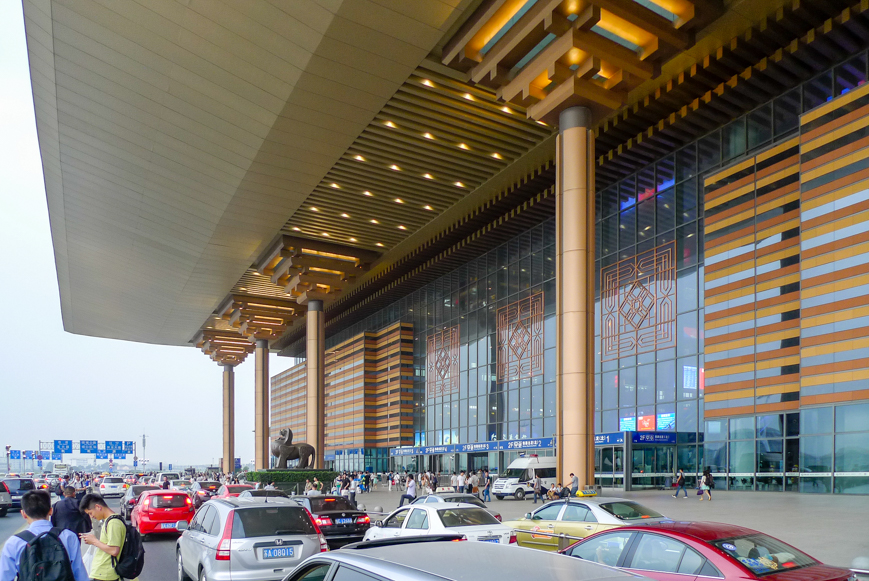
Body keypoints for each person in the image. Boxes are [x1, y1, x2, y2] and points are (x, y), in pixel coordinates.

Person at [0, 490, 89, 581]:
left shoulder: (14, 543)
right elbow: (79, 573)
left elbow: (5, 577)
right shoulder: (68, 536)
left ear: (23, 514)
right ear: (51, 511)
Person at [79, 492, 137, 581]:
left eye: (90, 513)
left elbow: (114, 550)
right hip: (103, 573)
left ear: (98, 507)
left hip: (106, 574)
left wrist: (94, 541)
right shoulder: (109, 520)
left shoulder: (113, 522)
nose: (91, 516)